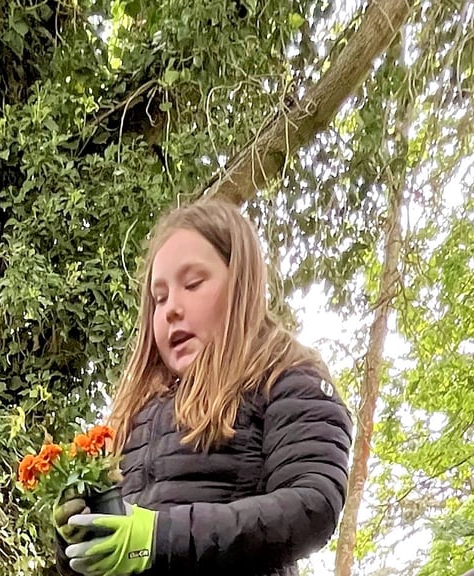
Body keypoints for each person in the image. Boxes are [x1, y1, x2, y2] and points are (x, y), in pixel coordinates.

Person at [52, 198, 354, 576]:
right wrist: (76, 539)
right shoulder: (137, 414)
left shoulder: (288, 379)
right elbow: (118, 548)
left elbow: (311, 506)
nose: (171, 309)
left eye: (192, 284)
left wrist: (157, 537)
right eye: (158, 299)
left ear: (241, 285)